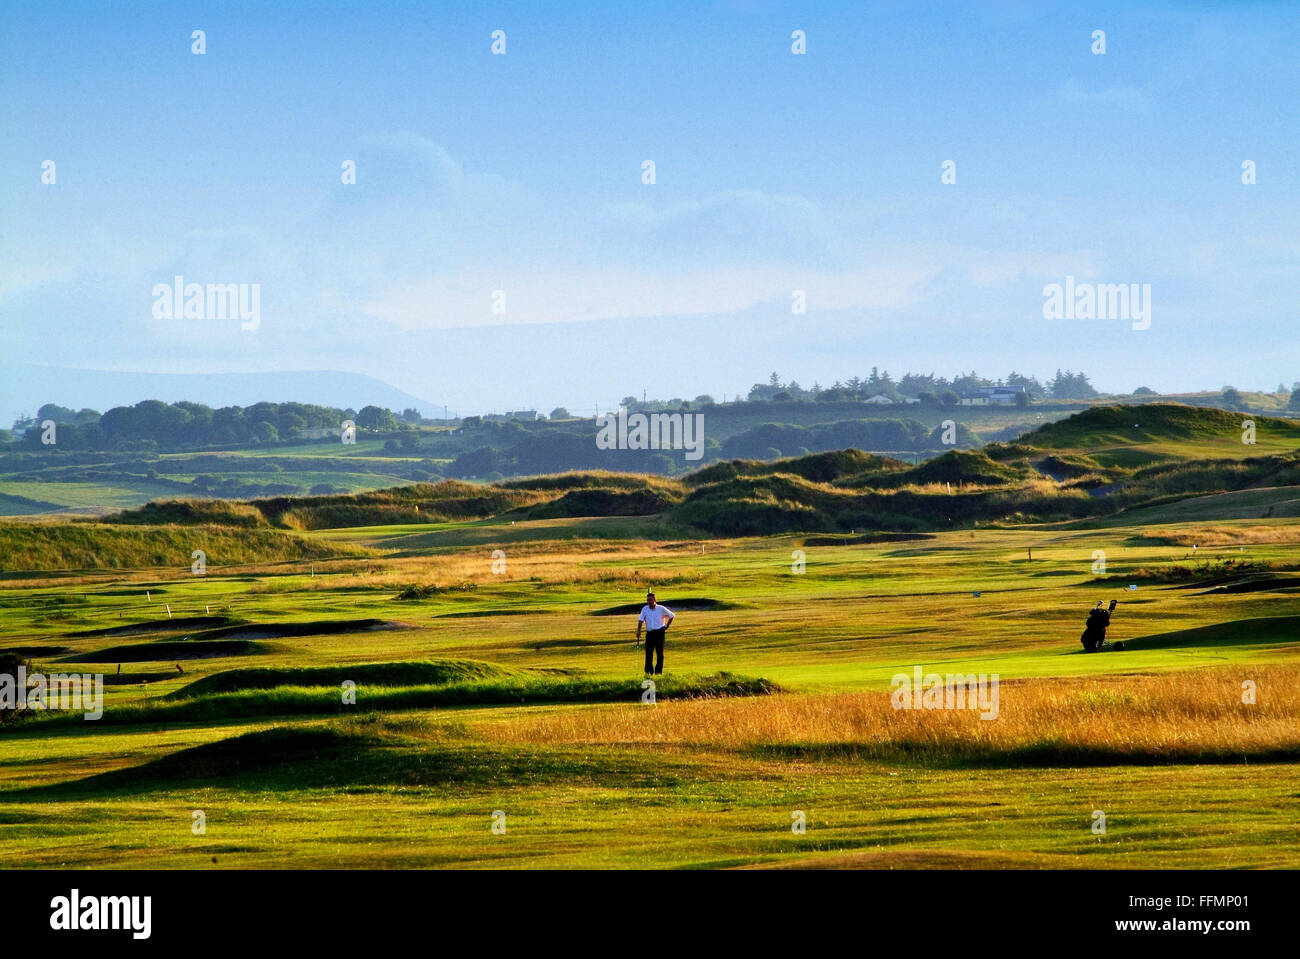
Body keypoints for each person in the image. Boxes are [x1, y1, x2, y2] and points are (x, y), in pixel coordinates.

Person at [635, 591, 675, 675]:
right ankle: (649, 672)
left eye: (650, 600)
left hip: (659, 633)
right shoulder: (645, 609)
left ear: (654, 600)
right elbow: (640, 620)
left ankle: (658, 672)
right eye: (647, 600)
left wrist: (666, 626)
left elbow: (672, 615)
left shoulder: (661, 608)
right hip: (650, 634)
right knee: (648, 654)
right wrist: (638, 630)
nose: (648, 602)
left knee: (660, 654)